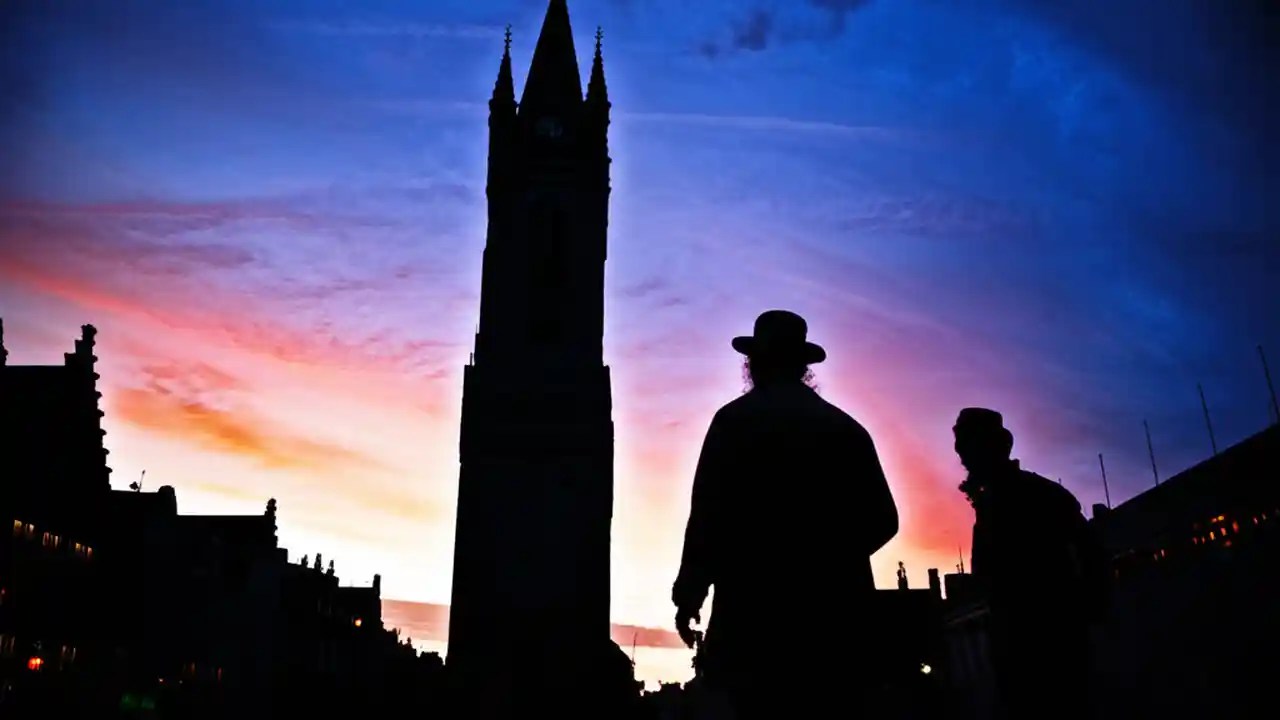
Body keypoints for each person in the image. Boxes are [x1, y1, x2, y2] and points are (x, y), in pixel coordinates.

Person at [672, 310, 900, 718]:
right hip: (834, 624)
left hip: (753, 619)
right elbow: (883, 519)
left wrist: (690, 593)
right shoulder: (844, 430)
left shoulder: (733, 423)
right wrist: (830, 557)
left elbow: (708, 516)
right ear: (802, 366)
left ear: (753, 362)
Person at [953, 407, 1107, 720]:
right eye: (962, 451)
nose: (963, 460)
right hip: (1027, 644)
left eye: (968, 449)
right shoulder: (1000, 502)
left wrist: (1086, 609)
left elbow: (1091, 553)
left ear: (993, 448)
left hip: (1046, 642)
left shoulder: (1033, 497)